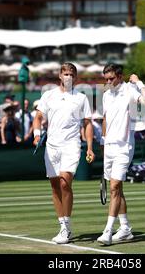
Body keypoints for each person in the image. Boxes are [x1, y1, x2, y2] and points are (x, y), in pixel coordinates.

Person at [32, 62, 94, 244]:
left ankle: (66, 225)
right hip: (52, 146)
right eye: (65, 74)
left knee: (65, 182)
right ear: (60, 75)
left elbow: (87, 123)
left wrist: (89, 147)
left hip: (71, 145)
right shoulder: (48, 95)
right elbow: (38, 117)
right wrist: (36, 135)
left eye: (71, 74)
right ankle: (62, 225)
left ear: (76, 77)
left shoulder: (82, 98)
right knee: (54, 186)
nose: (68, 77)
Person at [97, 63, 145, 246]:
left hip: (124, 146)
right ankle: (126, 228)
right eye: (106, 79)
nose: (108, 82)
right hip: (110, 147)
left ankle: (107, 231)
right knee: (117, 189)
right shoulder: (105, 95)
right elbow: (105, 119)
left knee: (114, 187)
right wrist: (103, 142)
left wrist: (139, 82)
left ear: (120, 76)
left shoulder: (130, 89)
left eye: (111, 78)